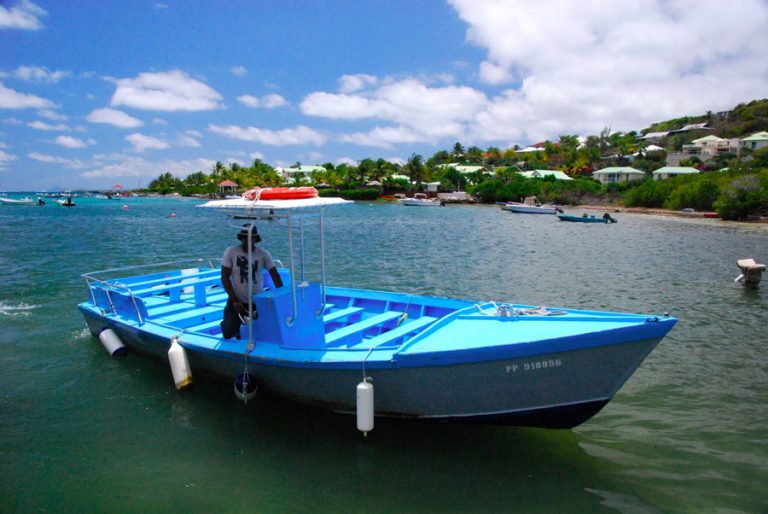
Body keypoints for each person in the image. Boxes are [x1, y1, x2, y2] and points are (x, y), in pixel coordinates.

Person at [220, 223, 283, 339]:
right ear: (241, 238)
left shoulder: (263, 254)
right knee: (228, 333)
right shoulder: (231, 252)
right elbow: (224, 277)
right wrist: (235, 301)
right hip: (236, 300)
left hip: (257, 301)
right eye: (245, 237)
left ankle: (244, 330)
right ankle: (233, 326)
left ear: (255, 239)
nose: (247, 240)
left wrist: (281, 297)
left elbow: (275, 275)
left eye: (251, 237)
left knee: (264, 332)